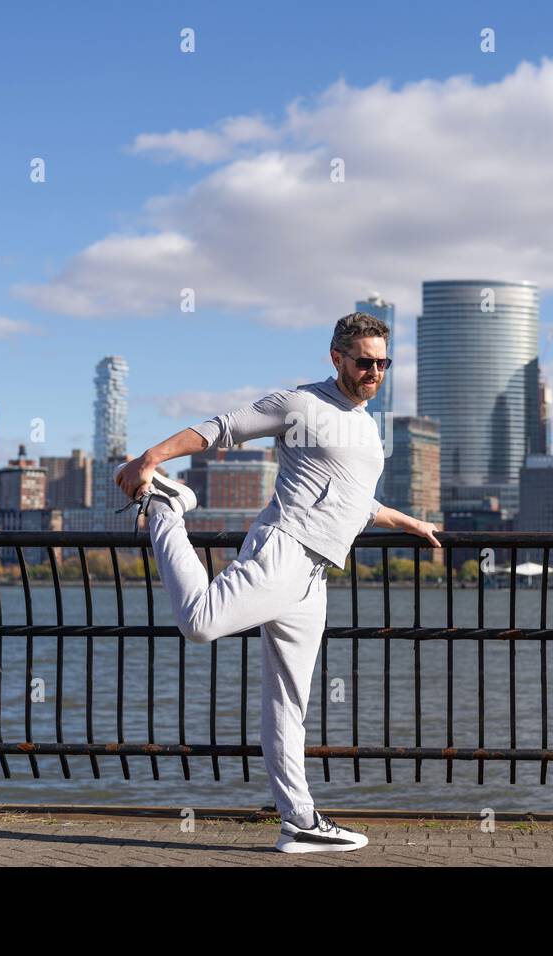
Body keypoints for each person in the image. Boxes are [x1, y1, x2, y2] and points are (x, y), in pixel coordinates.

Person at [114, 311, 441, 852]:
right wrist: (151, 458)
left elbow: (354, 502)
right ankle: (167, 507)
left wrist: (410, 522)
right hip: (284, 551)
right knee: (200, 623)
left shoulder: (365, 425)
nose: (375, 372)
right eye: (365, 362)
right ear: (337, 358)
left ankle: (300, 821)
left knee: (290, 702)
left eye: (384, 363)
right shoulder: (300, 403)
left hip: (315, 574)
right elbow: (223, 427)